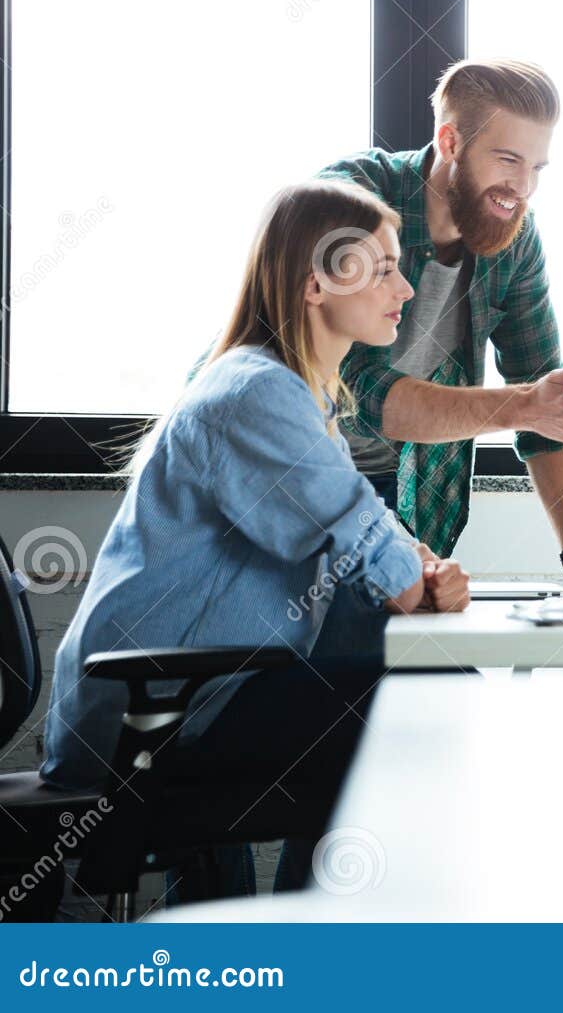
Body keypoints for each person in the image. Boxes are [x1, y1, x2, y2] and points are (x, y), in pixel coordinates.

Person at [42, 180, 468, 895]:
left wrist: (418, 568)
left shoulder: (294, 395)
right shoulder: (256, 392)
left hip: (193, 696)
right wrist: (414, 577)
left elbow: (365, 536)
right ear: (314, 285)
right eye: (383, 269)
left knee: (404, 694)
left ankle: (308, 931)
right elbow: (373, 551)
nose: (405, 287)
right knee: (430, 700)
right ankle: (315, 934)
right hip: (157, 717)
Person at [316, 58, 563, 590]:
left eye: (537, 168)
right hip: (292, 477)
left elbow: (542, 394)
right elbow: (355, 392)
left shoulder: (515, 237)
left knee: (429, 632)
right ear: (450, 142)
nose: (523, 186)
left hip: (393, 491)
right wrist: (524, 406)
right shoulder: (354, 199)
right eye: (508, 160)